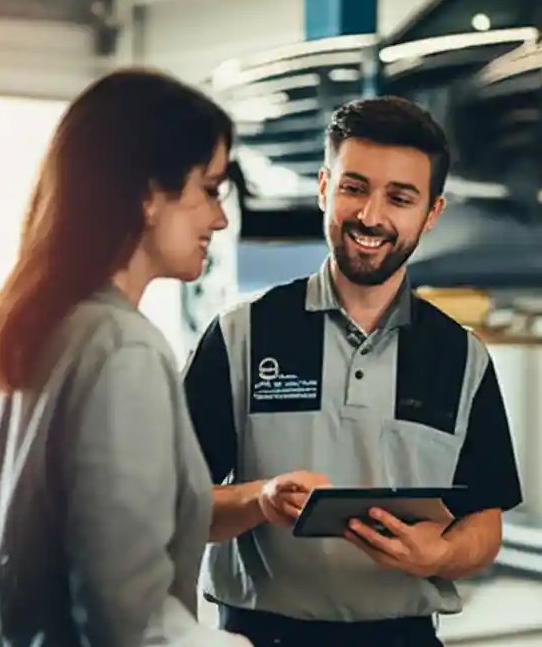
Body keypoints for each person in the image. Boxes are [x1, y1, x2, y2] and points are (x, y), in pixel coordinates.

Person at [182, 96, 524, 646]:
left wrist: (441, 554)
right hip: (261, 637)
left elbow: (484, 524)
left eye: (400, 198)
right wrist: (259, 500)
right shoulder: (240, 335)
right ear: (324, 188)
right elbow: (175, 508)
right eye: (354, 188)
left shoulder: (462, 358)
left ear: (431, 213)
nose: (370, 216)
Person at [0, 68, 251, 647]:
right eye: (210, 189)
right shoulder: (124, 349)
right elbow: (127, 616)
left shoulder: (37, 328)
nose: (219, 218)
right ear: (149, 195)